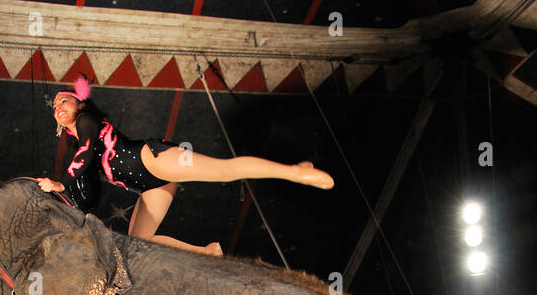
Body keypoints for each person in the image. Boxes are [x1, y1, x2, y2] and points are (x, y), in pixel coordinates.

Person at [36, 77, 334, 256]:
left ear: (80, 104)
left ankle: (296, 170)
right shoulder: (78, 147)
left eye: (65, 100)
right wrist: (70, 200)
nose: (59, 108)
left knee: (225, 170)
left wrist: (61, 182)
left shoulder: (88, 123)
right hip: (150, 186)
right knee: (138, 244)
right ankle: (207, 252)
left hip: (154, 158)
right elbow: (88, 194)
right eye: (55, 107)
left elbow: (88, 151)